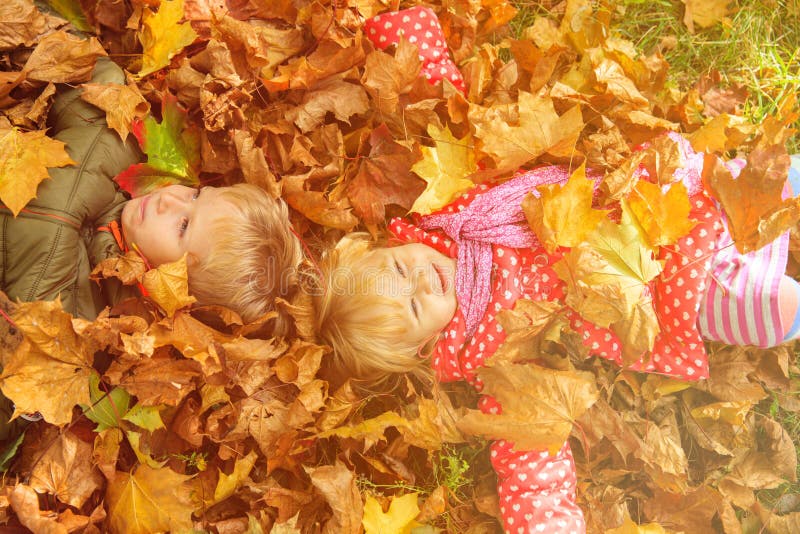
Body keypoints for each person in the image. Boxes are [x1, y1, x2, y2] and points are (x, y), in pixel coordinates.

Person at [0, 57, 304, 332]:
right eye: (196, 196)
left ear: (176, 294)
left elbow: (30, 329)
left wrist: (62, 212)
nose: (169, 199)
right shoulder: (123, 153)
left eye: (183, 226)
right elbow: (95, 73)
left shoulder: (94, 320)